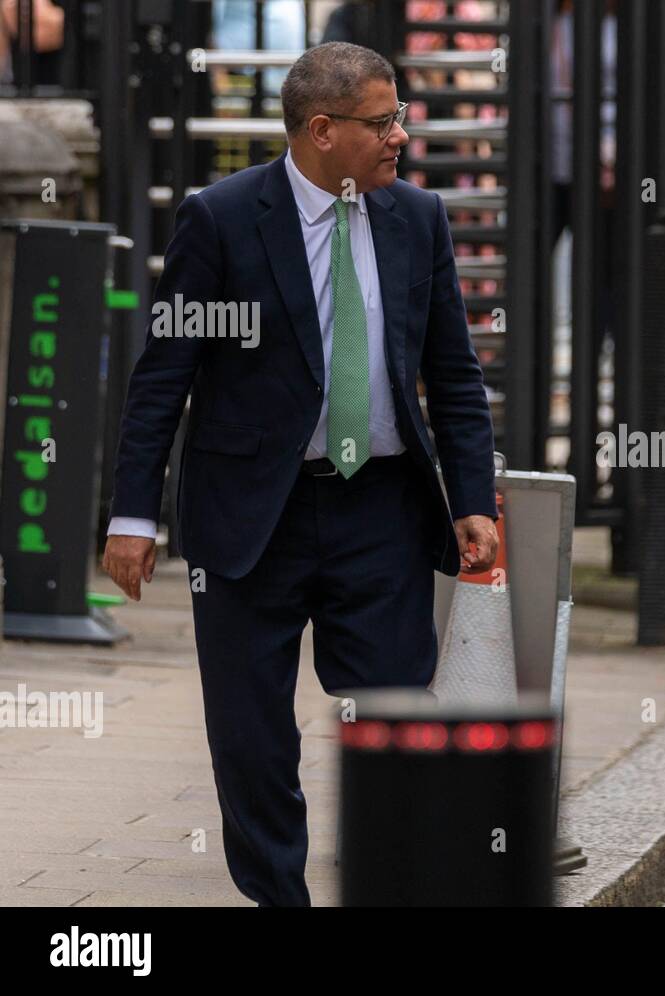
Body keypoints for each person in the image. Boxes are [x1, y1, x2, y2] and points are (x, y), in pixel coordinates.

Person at [101, 41, 499, 907]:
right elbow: (163, 374)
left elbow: (454, 371)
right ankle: (279, 898)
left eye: (399, 117)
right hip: (251, 518)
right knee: (252, 741)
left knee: (395, 722)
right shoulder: (221, 218)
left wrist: (471, 498)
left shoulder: (418, 219)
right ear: (321, 130)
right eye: (383, 121)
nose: (401, 135)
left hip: (382, 513)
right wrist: (133, 516)